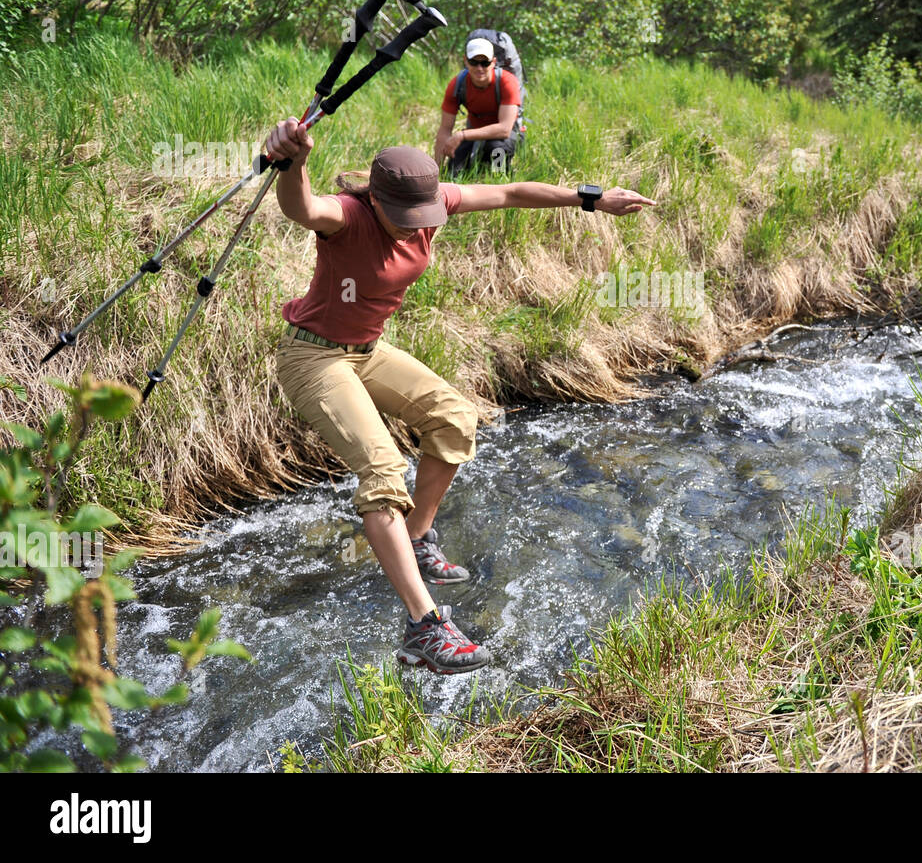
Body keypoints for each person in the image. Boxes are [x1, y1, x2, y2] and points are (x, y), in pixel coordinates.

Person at [266, 117, 656, 673]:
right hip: (314, 356)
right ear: (374, 199)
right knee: (382, 471)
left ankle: (417, 537)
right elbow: (302, 208)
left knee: (454, 419)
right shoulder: (347, 216)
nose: (409, 229)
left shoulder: (435, 203)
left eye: (417, 218)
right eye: (399, 218)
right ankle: (423, 628)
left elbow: (510, 191)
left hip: (366, 350)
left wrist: (591, 198)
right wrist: (294, 161)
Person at [436, 36, 522, 177]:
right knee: (453, 173)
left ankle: (500, 181)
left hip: (503, 138)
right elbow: (444, 130)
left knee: (497, 149)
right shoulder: (457, 85)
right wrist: (436, 172)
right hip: (473, 135)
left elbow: (504, 130)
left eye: (485, 63)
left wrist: (462, 135)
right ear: (465, 61)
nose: (479, 68)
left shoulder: (507, 82)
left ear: (493, 62)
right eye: (474, 62)